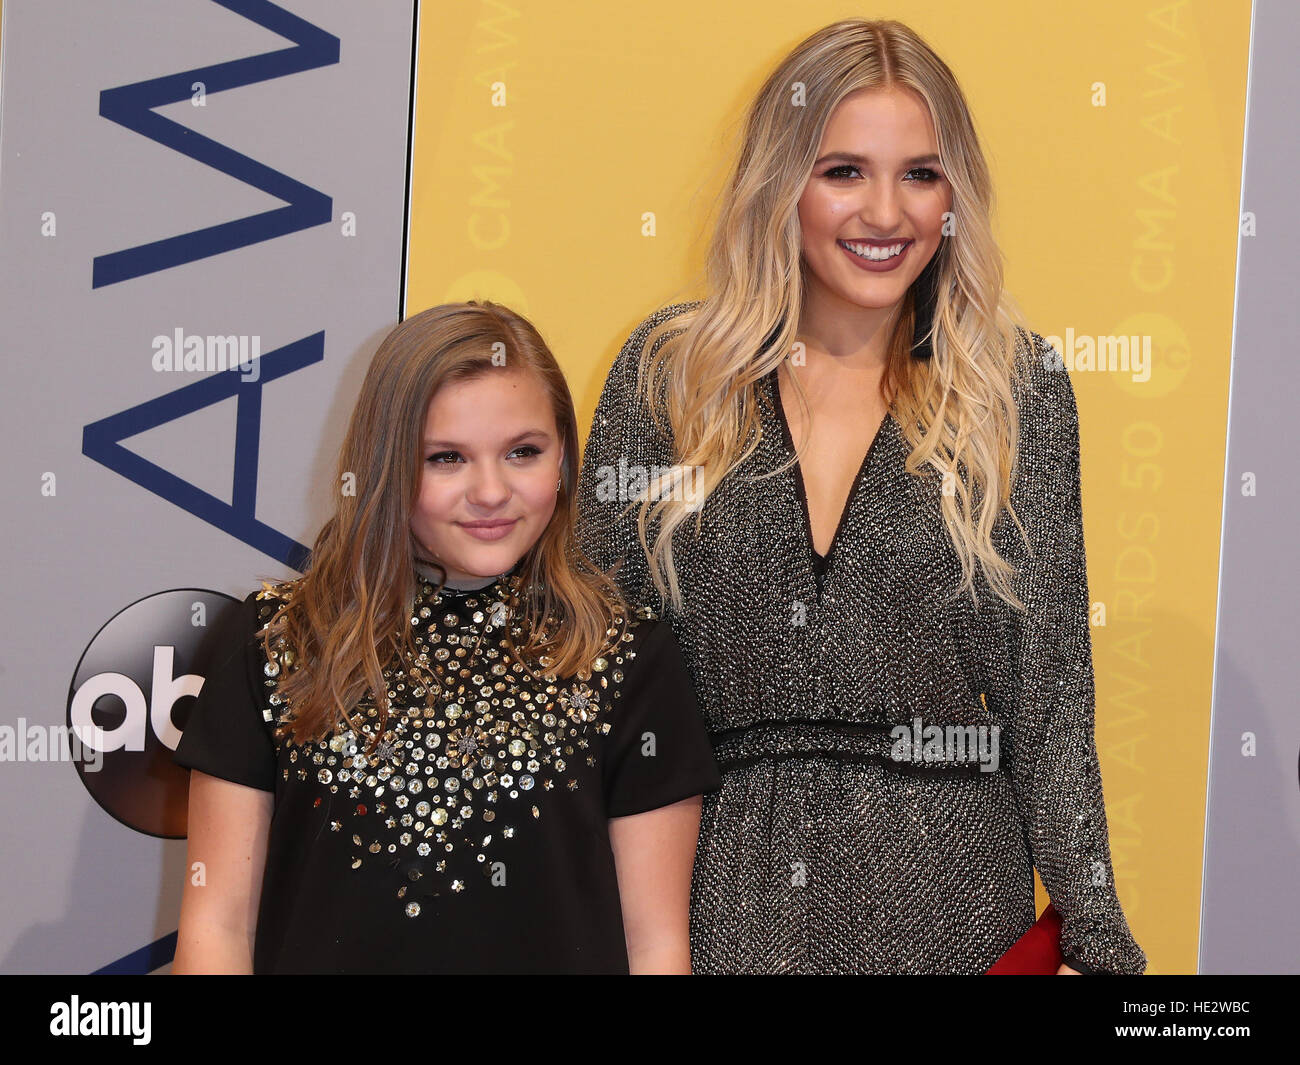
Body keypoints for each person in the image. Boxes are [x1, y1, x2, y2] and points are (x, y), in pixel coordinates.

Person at [575, 18, 1146, 974]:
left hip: (952, 895)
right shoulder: (669, 376)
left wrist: (1097, 942)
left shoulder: (1014, 389)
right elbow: (599, 673)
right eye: (844, 171)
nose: (887, 212)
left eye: (921, 175)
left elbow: (1047, 698)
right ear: (779, 182)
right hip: (718, 894)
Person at [172, 301, 721, 974]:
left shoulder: (627, 655)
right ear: (383, 467)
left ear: (566, 461)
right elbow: (217, 927)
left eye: (523, 451)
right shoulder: (278, 639)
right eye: (446, 458)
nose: (490, 490)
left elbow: (657, 946)